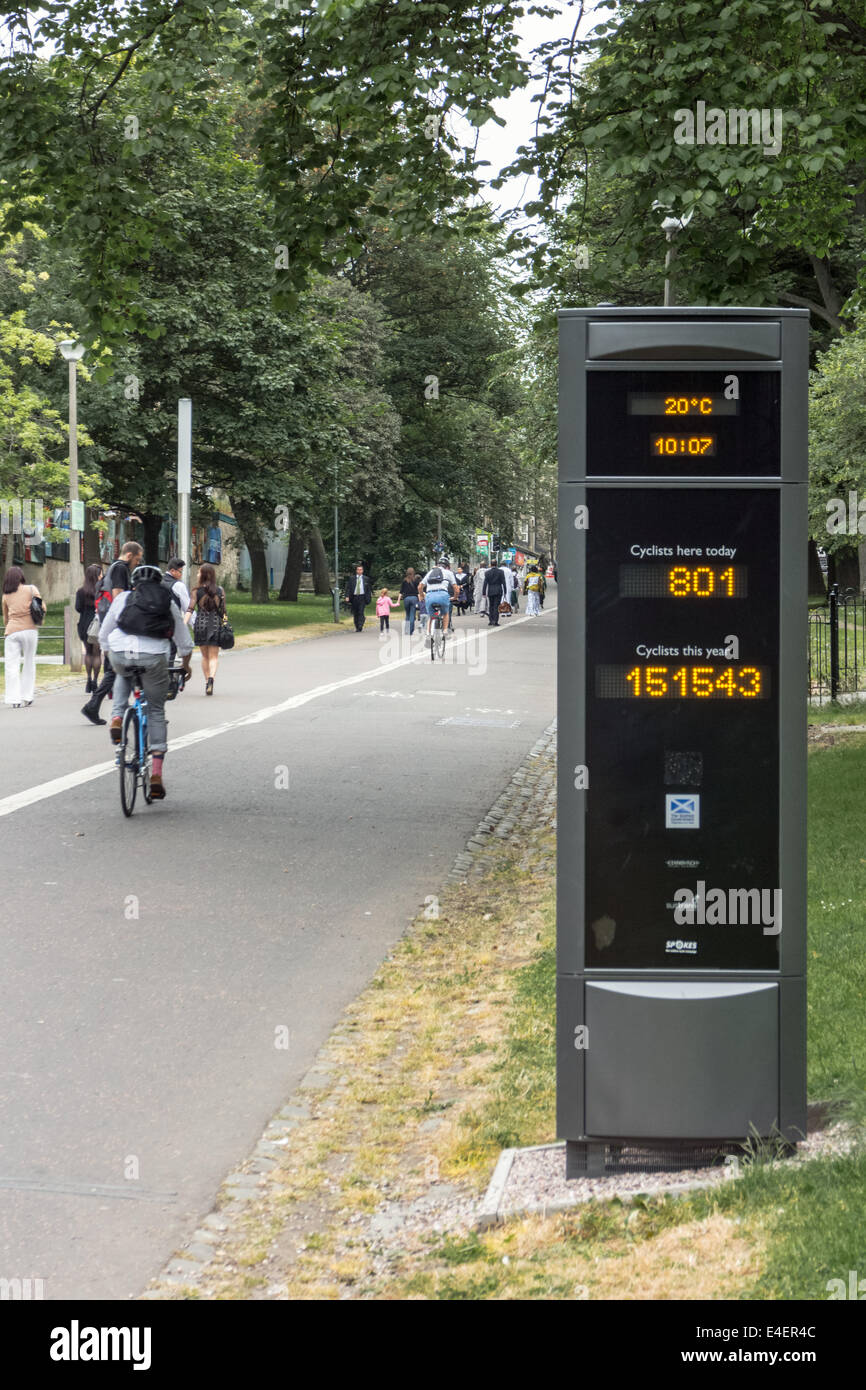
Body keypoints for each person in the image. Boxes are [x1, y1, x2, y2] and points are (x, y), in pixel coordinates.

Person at [100, 564, 193, 800]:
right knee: (156, 710)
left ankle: (117, 718)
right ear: (159, 582)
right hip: (154, 658)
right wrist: (185, 664)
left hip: (121, 653)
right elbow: (184, 641)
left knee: (122, 671)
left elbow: (104, 633)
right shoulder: (166, 601)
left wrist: (108, 653)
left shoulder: (123, 599)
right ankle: (156, 776)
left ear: (134, 582)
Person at [81, 540, 143, 725]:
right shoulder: (120, 569)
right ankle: (94, 706)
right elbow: (118, 597)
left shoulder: (115, 568)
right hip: (116, 626)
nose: (138, 563)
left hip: (112, 624)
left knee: (115, 669)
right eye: (137, 559)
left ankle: (94, 706)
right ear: (130, 555)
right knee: (116, 668)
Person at [2, 565, 42, 707]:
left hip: (12, 631)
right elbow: (42, 608)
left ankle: (14, 699)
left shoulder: (6, 595)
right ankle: (27, 696)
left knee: (11, 666)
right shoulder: (31, 589)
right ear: (21, 577)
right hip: (30, 629)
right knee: (29, 662)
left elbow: (5, 618)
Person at [186, 562, 227, 694]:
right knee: (214, 657)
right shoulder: (220, 590)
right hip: (215, 625)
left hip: (201, 625)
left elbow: (190, 609)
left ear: (203, 575)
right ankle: (211, 679)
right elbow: (224, 611)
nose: (197, 574)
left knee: (205, 657)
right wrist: (226, 624)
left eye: (198, 572)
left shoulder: (196, 591)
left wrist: (183, 623)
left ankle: (206, 682)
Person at [75, 563, 104, 693]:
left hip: (84, 623)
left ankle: (88, 680)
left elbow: (78, 608)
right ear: (97, 576)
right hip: (97, 624)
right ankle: (95, 681)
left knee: (88, 652)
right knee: (97, 653)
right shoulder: (102, 591)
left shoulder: (81, 592)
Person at [419, 558, 457, 640]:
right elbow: (456, 588)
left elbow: (420, 586)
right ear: (447, 566)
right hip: (442, 595)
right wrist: (455, 597)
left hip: (429, 596)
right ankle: (445, 631)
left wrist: (422, 595)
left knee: (431, 616)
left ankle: (428, 634)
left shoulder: (430, 572)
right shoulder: (449, 573)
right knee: (446, 613)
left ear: (438, 565)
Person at [344, 563, 372, 631]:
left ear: (362, 571)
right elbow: (348, 588)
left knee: (361, 611)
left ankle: (360, 625)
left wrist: (368, 597)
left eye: (361, 569)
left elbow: (368, 589)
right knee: (355, 612)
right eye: (358, 570)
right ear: (356, 571)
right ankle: (357, 625)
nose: (359, 571)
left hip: (362, 597)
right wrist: (347, 596)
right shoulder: (352, 578)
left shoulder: (366, 579)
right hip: (354, 597)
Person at [483, 561, 507, 626]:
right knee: (496, 606)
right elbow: (503, 582)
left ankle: (491, 620)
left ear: (491, 565)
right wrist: (505, 591)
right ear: (497, 564)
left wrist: (484, 592)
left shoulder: (487, 572)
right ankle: (495, 621)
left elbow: (485, 583)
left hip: (490, 590)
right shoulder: (501, 572)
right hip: (498, 590)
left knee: (491, 606)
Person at [400, 568, 420, 635]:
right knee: (412, 615)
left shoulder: (404, 581)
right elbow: (418, 592)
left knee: (407, 615)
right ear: (413, 573)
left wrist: (398, 600)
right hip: (414, 598)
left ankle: (406, 630)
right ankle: (410, 631)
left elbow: (401, 592)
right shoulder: (416, 581)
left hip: (406, 599)